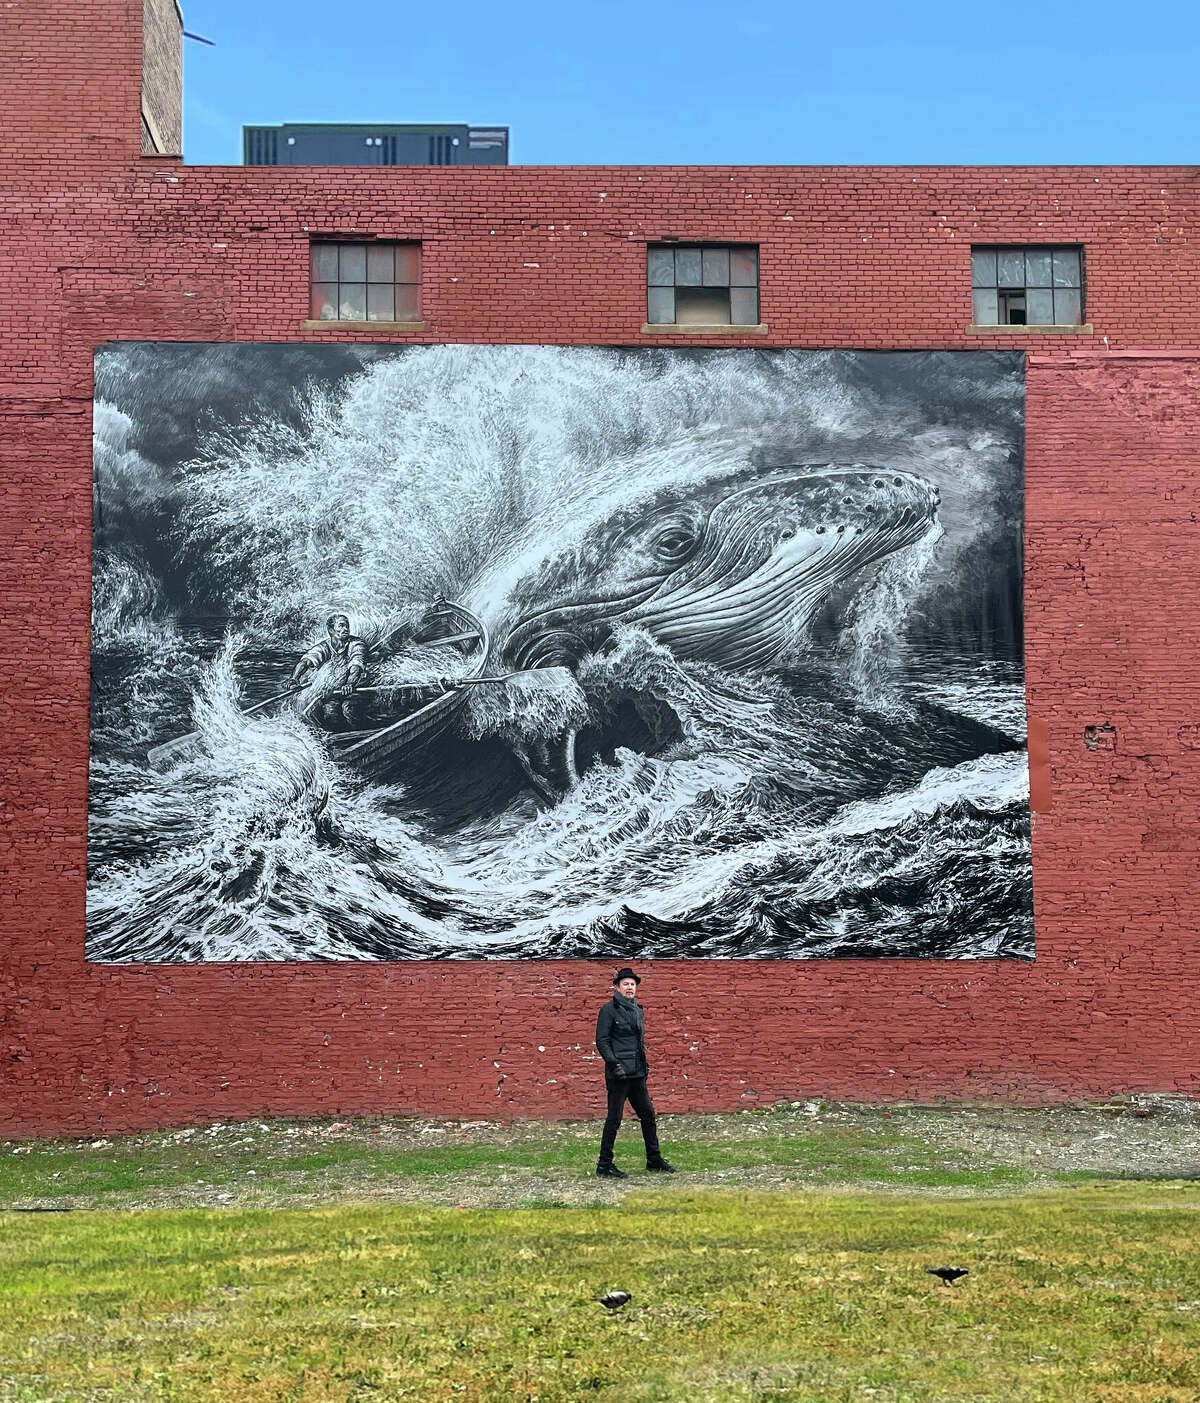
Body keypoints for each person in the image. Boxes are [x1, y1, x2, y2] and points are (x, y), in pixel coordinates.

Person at [594, 966, 675, 1178]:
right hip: (619, 1075)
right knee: (614, 1119)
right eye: (626, 984)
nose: (630, 988)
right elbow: (602, 1041)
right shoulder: (608, 1010)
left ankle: (654, 1160)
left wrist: (644, 1066)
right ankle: (604, 1165)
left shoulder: (638, 1010)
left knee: (648, 1115)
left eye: (632, 984)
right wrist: (614, 1064)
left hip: (637, 1074)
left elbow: (639, 1043)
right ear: (617, 987)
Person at [291, 612, 369, 731]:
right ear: (331, 630)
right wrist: (294, 678)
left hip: (356, 687)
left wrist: (349, 684)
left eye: (347, 625)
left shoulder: (357, 644)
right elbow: (306, 661)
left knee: (348, 709)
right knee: (328, 713)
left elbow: (356, 666)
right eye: (341, 626)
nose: (346, 629)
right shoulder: (324, 647)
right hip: (334, 691)